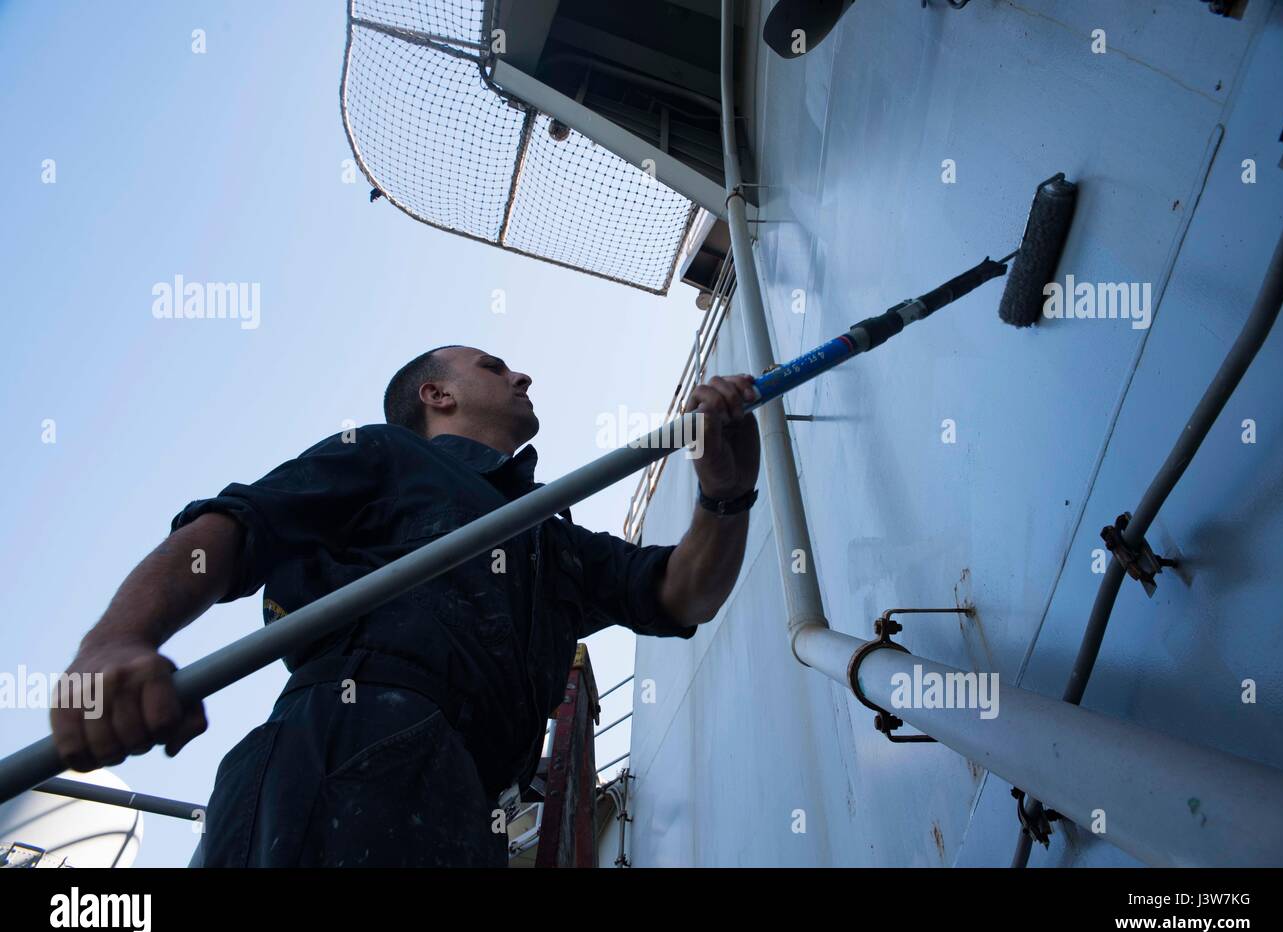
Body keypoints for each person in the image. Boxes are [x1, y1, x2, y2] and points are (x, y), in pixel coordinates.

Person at [50, 345, 761, 866]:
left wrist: (726, 494)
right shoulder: (383, 451)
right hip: (346, 745)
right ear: (436, 395)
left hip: (472, 800)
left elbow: (682, 590)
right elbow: (231, 528)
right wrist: (114, 642)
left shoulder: (553, 535)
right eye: (492, 365)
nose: (521, 374)